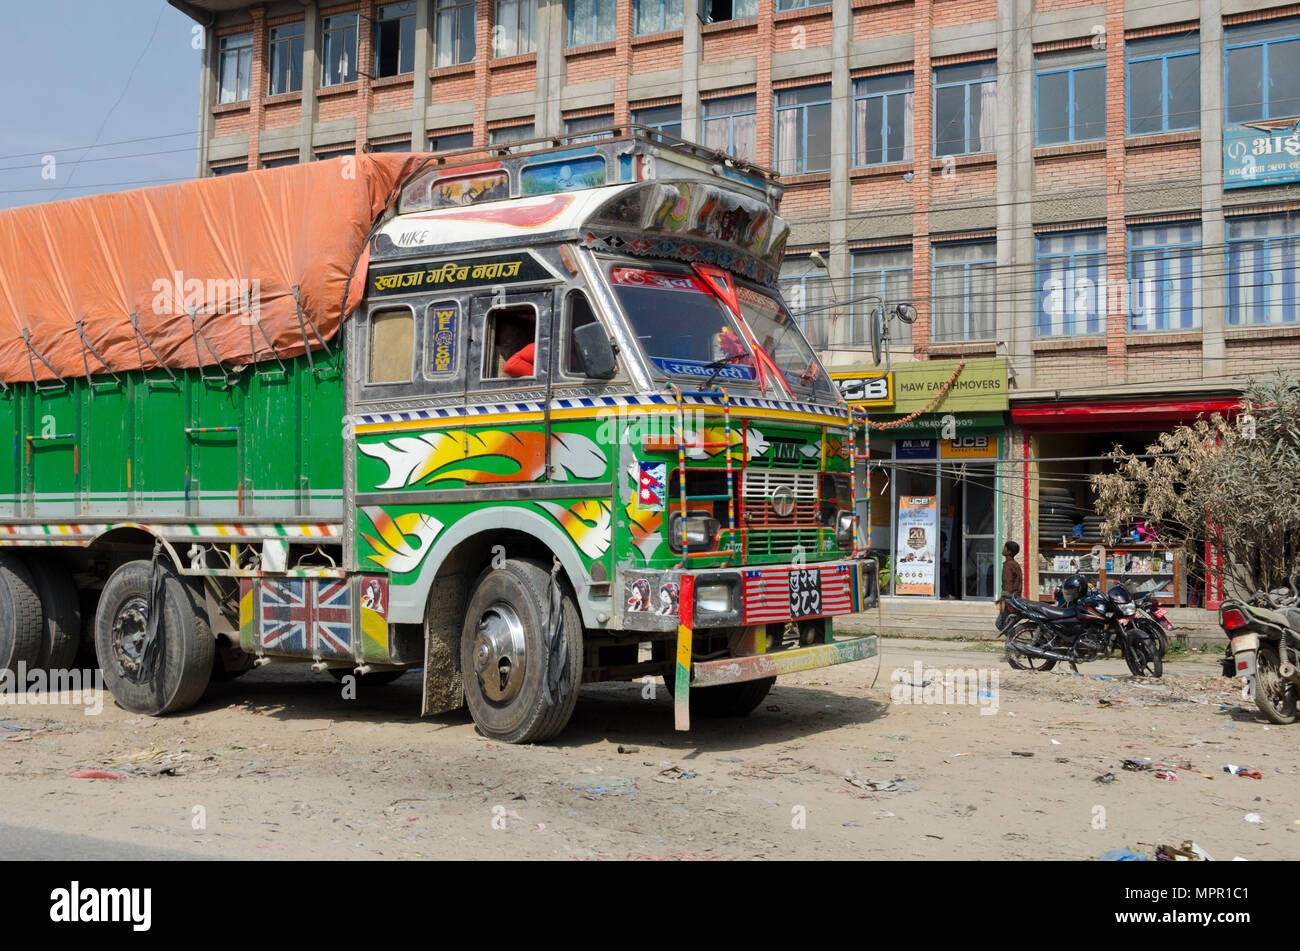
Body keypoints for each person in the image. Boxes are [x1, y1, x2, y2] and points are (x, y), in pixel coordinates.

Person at [995, 540, 1023, 631]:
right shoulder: (1015, 564)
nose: (1003, 549)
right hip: (1015, 598)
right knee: (1006, 624)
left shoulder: (1008, 566)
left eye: (1004, 547)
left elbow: (1008, 585)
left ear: (1009, 551)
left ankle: (1014, 641)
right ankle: (1013, 641)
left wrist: (1003, 602)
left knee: (1000, 624)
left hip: (1010, 600)